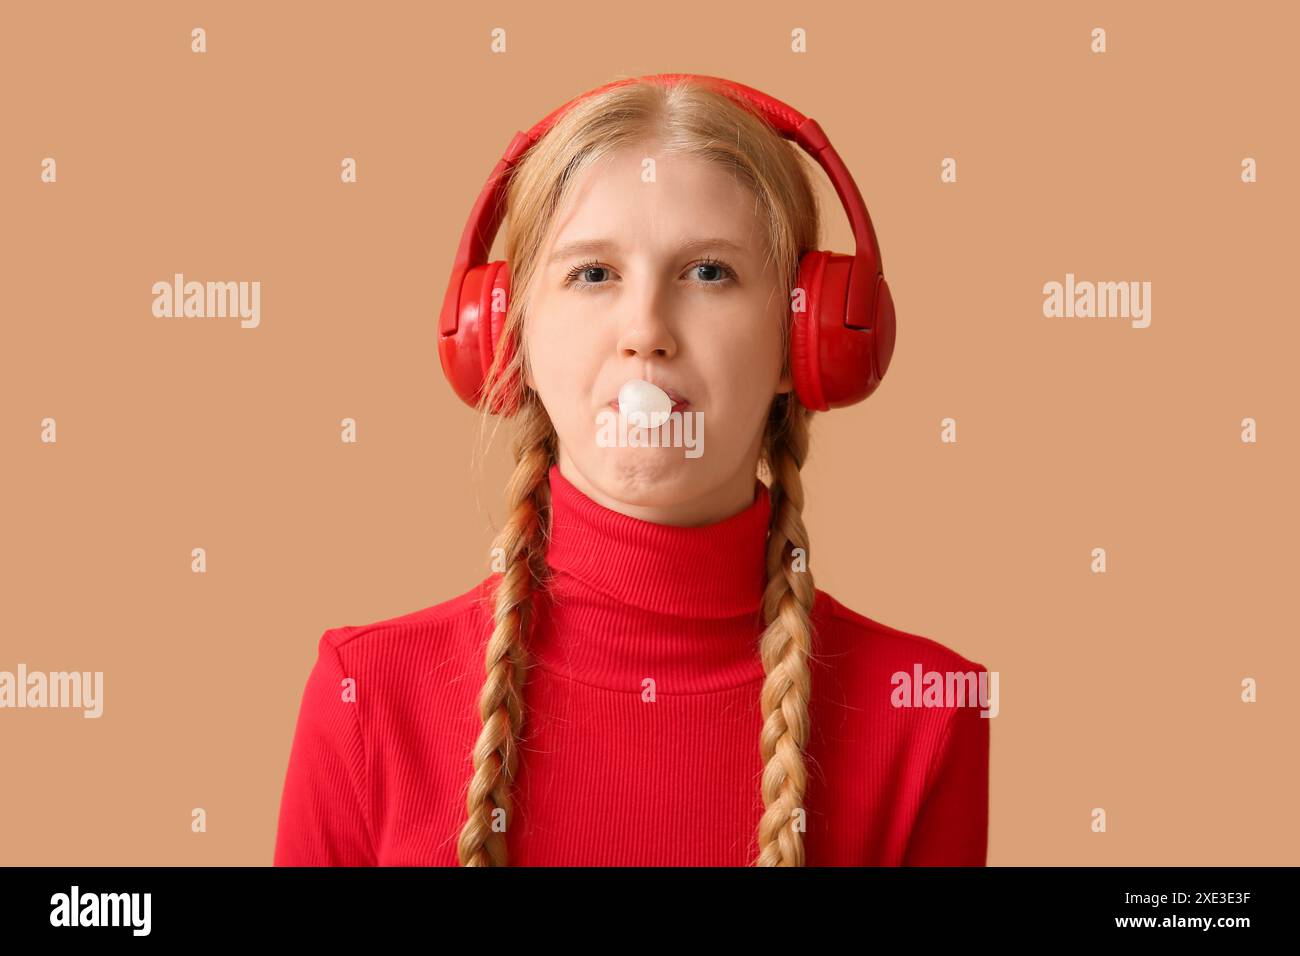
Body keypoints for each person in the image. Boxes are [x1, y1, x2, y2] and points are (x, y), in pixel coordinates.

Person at [274, 74, 989, 867]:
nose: (646, 330)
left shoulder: (925, 709)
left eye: (709, 272)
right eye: (592, 274)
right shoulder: (365, 696)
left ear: (802, 339)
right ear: (510, 340)